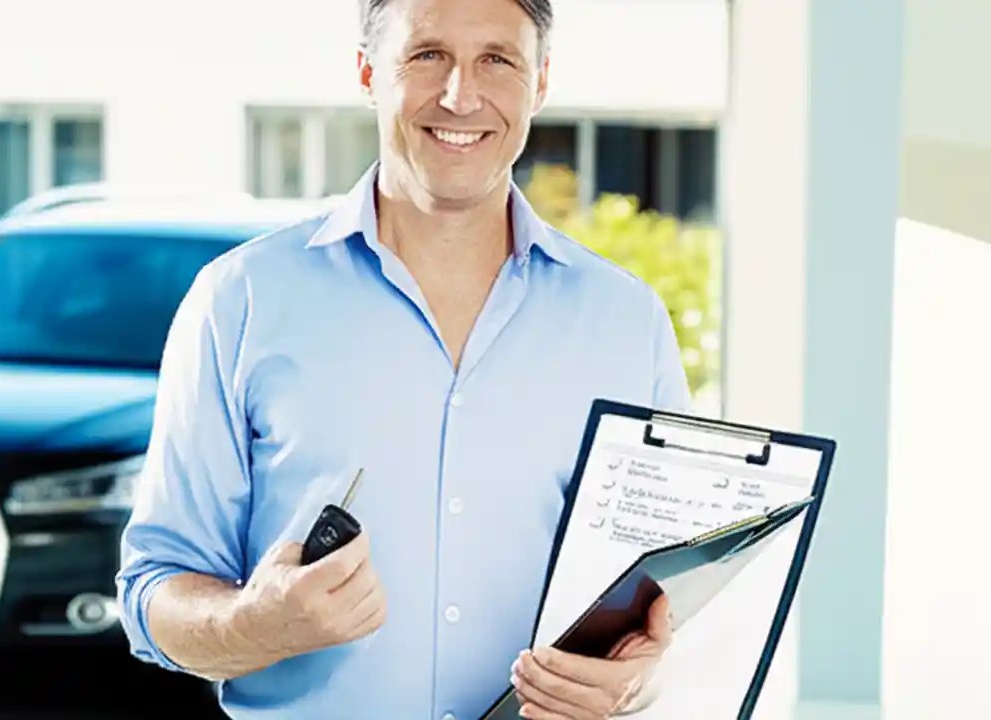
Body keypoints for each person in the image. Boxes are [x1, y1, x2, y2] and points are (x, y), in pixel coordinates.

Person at [115, 0, 691, 717]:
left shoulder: (626, 323)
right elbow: (154, 592)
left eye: (497, 60)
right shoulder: (241, 301)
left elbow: (672, 617)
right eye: (426, 56)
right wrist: (252, 626)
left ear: (539, 82)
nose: (460, 95)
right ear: (367, 71)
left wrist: (636, 681)